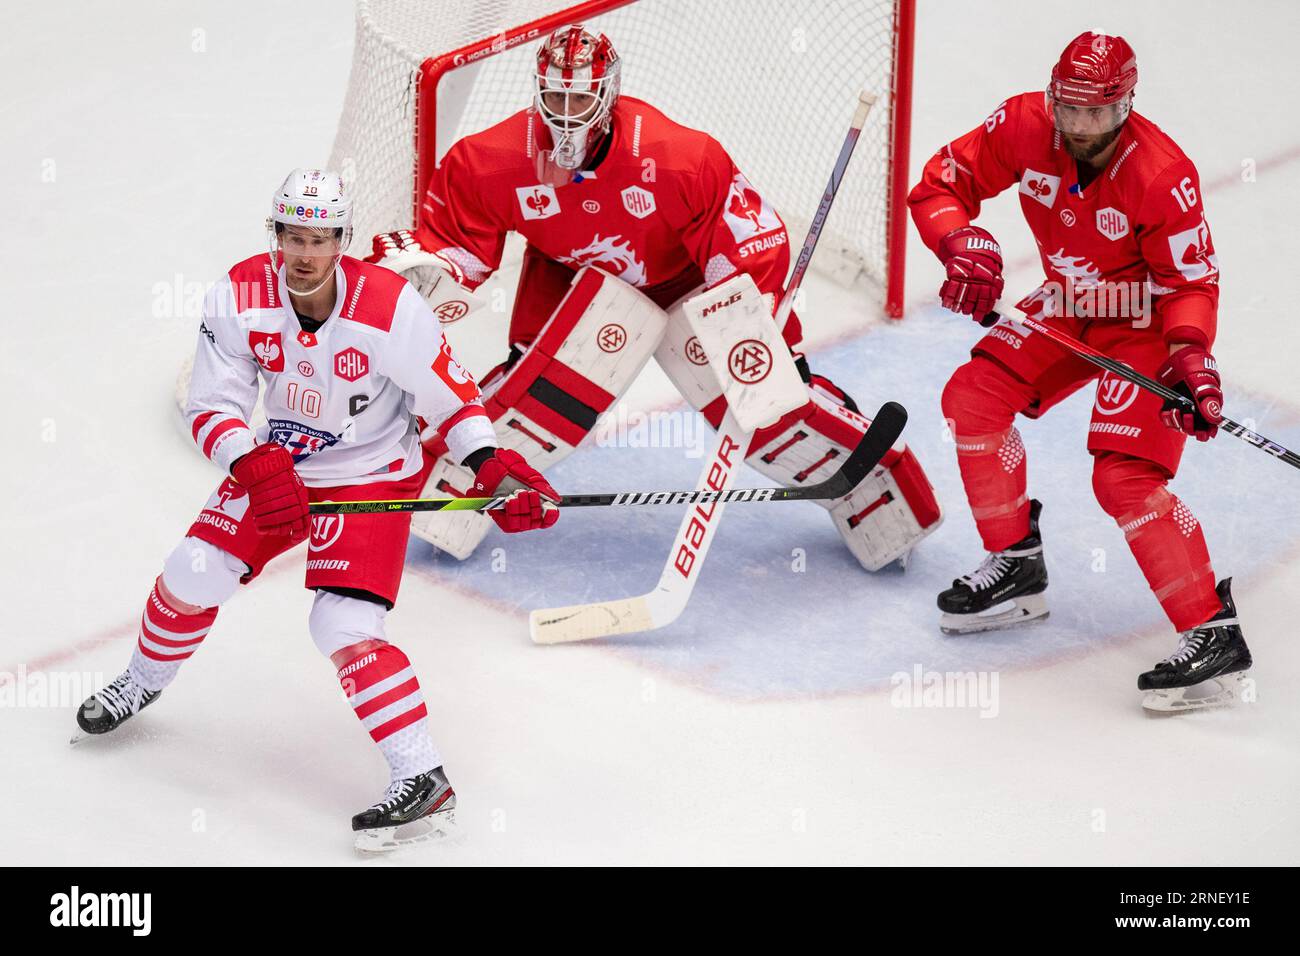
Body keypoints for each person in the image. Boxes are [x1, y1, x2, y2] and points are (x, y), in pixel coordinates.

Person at [75, 169, 558, 850]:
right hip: (280, 466)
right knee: (191, 571)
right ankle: (141, 681)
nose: (305, 253)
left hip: (372, 476)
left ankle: (423, 777)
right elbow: (211, 406)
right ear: (274, 236)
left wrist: (494, 470)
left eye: (320, 239)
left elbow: (454, 401)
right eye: (293, 237)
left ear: (342, 242)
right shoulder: (240, 296)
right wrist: (250, 460)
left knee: (342, 621)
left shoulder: (391, 310)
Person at [369, 24, 942, 573]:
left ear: (608, 92)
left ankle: (880, 491)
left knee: (767, 406)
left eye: (581, 100)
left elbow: (747, 235)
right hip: (572, 278)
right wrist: (432, 271)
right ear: (537, 91)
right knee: (532, 406)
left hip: (688, 277)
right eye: (556, 99)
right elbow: (460, 249)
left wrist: (751, 322)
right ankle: (433, 502)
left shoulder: (677, 157)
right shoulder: (492, 161)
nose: (568, 116)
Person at [908, 32, 1251, 710]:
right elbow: (942, 183)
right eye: (1070, 109)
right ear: (1052, 97)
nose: (1081, 126)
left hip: (1146, 318)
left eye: (1098, 113)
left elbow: (1189, 282)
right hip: (1070, 300)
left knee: (1123, 475)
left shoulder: (1162, 174)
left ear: (1126, 105)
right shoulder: (1022, 124)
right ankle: (1017, 564)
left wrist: (1190, 360)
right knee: (972, 395)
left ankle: (1214, 635)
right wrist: (960, 240)